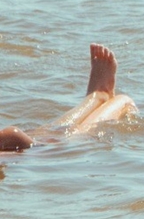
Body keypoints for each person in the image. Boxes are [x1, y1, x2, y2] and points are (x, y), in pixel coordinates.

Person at [0, 44, 135, 152]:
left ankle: (97, 97)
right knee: (123, 101)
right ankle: (98, 95)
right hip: (41, 152)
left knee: (49, 132)